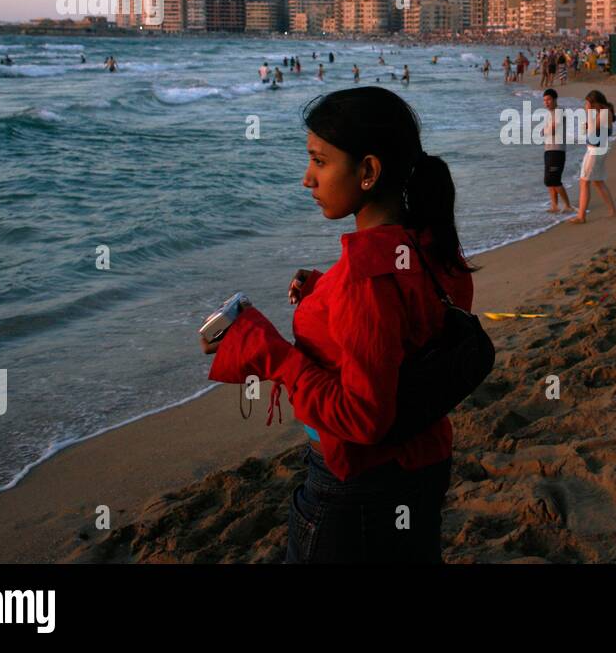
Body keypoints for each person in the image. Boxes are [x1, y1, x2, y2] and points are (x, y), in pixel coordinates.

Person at [200, 86, 474, 563]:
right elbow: (411, 318)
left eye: (320, 162)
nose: (307, 179)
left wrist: (270, 351)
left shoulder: (366, 278)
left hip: (360, 487)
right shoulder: (426, 246)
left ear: (368, 171)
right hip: (423, 462)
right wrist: (326, 290)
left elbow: (363, 419)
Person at [570, 90, 616, 223]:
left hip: (595, 151)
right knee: (598, 182)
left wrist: (588, 115)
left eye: (589, 103)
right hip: (597, 150)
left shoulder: (604, 113)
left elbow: (591, 131)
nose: (587, 105)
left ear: (596, 103)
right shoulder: (604, 112)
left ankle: (581, 216)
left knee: (584, 181)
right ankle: (613, 210)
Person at [541, 89, 574, 213]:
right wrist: (546, 130)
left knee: (554, 179)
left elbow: (551, 131)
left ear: (555, 99)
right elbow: (546, 131)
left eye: (548, 99)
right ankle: (554, 206)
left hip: (557, 150)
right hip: (549, 149)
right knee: (548, 180)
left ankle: (568, 205)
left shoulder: (559, 111)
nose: (546, 102)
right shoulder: (550, 114)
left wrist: (545, 130)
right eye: (544, 100)